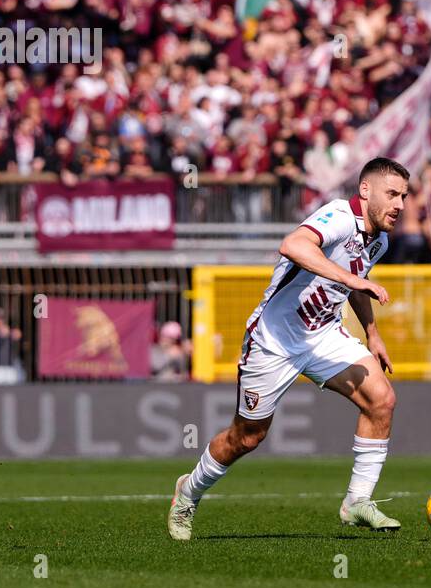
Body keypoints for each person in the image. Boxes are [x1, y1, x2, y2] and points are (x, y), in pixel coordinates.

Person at [168, 156, 408, 540]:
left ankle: (357, 501)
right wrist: (351, 279)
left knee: (381, 401)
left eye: (404, 197)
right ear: (366, 190)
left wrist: (372, 334)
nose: (399, 204)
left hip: (324, 334)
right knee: (246, 437)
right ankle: (188, 491)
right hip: (274, 340)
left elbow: (357, 283)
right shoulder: (338, 216)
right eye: (392, 194)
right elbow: (293, 245)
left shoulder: (378, 239)